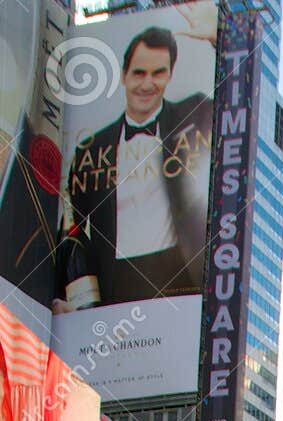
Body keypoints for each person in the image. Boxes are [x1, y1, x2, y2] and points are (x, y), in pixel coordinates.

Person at [56, 13, 216, 311]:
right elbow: (71, 235)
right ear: (123, 74)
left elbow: (237, 98)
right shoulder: (92, 148)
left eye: (159, 73)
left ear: (170, 74)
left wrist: (216, 36)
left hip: (180, 277)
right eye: (139, 73)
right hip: (116, 285)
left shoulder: (194, 114)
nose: (148, 84)